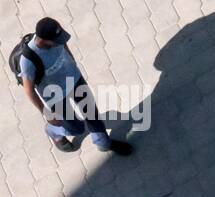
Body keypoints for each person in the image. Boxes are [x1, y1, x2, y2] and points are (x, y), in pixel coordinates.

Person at [20, 17, 134, 156]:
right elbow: (29, 90)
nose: (61, 42)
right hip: (55, 95)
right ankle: (53, 131)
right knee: (76, 128)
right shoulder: (28, 60)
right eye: (57, 41)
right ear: (44, 41)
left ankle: (103, 143)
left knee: (91, 112)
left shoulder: (56, 40)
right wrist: (46, 113)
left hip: (74, 79)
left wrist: (71, 60)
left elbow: (64, 44)